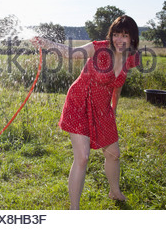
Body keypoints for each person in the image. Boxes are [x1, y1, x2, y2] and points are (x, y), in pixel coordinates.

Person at [32, 15, 140, 210]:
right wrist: (45, 42)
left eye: (124, 35)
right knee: (82, 157)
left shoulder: (131, 57)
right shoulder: (98, 48)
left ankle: (114, 191)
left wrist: (114, 108)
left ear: (132, 38)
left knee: (114, 154)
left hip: (102, 108)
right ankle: (74, 210)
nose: (119, 39)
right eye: (116, 34)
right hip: (79, 103)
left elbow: (117, 86)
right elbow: (70, 53)